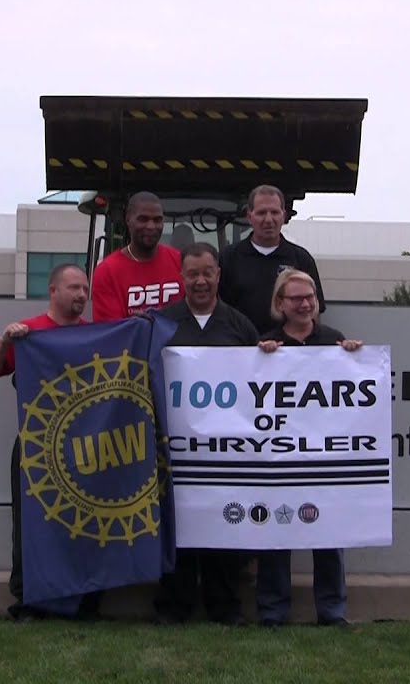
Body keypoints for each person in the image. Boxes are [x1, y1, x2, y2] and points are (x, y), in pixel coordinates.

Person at [0, 263, 98, 621]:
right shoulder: (29, 333)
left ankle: (84, 598)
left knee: (84, 522)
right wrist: (4, 341)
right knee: (30, 524)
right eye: (74, 287)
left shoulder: (95, 336)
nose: (81, 295)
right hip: (35, 448)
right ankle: (29, 598)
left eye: (84, 289)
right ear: (53, 291)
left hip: (84, 448)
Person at [154, 242, 260, 625]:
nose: (200, 281)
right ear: (181, 277)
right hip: (174, 451)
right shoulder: (162, 323)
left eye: (207, 273)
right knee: (176, 526)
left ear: (219, 274)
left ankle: (224, 607)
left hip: (224, 454)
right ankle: (174, 606)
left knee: (223, 523)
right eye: (192, 274)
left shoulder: (239, 325)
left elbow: (262, 381)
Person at [254, 268, 362, 627]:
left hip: (323, 456)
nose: (304, 304)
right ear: (280, 304)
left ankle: (332, 611)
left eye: (309, 297)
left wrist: (353, 357)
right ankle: (273, 611)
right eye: (296, 298)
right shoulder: (265, 343)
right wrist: (260, 357)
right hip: (280, 456)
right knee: (276, 532)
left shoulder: (334, 341)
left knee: (328, 535)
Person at [218, 184, 326, 335]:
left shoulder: (301, 259)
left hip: (287, 351)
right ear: (249, 216)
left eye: (274, 212)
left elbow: (314, 312)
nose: (269, 219)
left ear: (284, 215)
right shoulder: (228, 258)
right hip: (241, 349)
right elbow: (217, 310)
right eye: (261, 213)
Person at [90, 191, 184, 322]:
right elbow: (109, 333)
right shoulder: (107, 272)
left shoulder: (180, 261)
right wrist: (133, 325)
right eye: (143, 219)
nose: (151, 226)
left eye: (157, 220)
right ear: (128, 219)